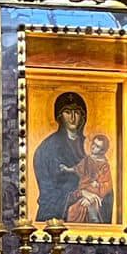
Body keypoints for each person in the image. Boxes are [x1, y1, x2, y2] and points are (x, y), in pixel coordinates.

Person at [34, 90, 90, 221]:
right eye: (68, 112)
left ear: (83, 116)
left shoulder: (90, 145)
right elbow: (48, 191)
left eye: (77, 112)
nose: (73, 117)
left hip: (88, 208)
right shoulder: (48, 148)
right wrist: (77, 195)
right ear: (60, 116)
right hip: (57, 216)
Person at [65, 132, 115, 223]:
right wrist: (68, 169)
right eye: (93, 144)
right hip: (85, 187)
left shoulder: (104, 165)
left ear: (102, 151)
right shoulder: (88, 159)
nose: (93, 147)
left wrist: (98, 184)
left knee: (86, 207)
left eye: (97, 146)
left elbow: (107, 183)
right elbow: (78, 168)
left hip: (97, 189)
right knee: (73, 210)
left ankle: (94, 221)